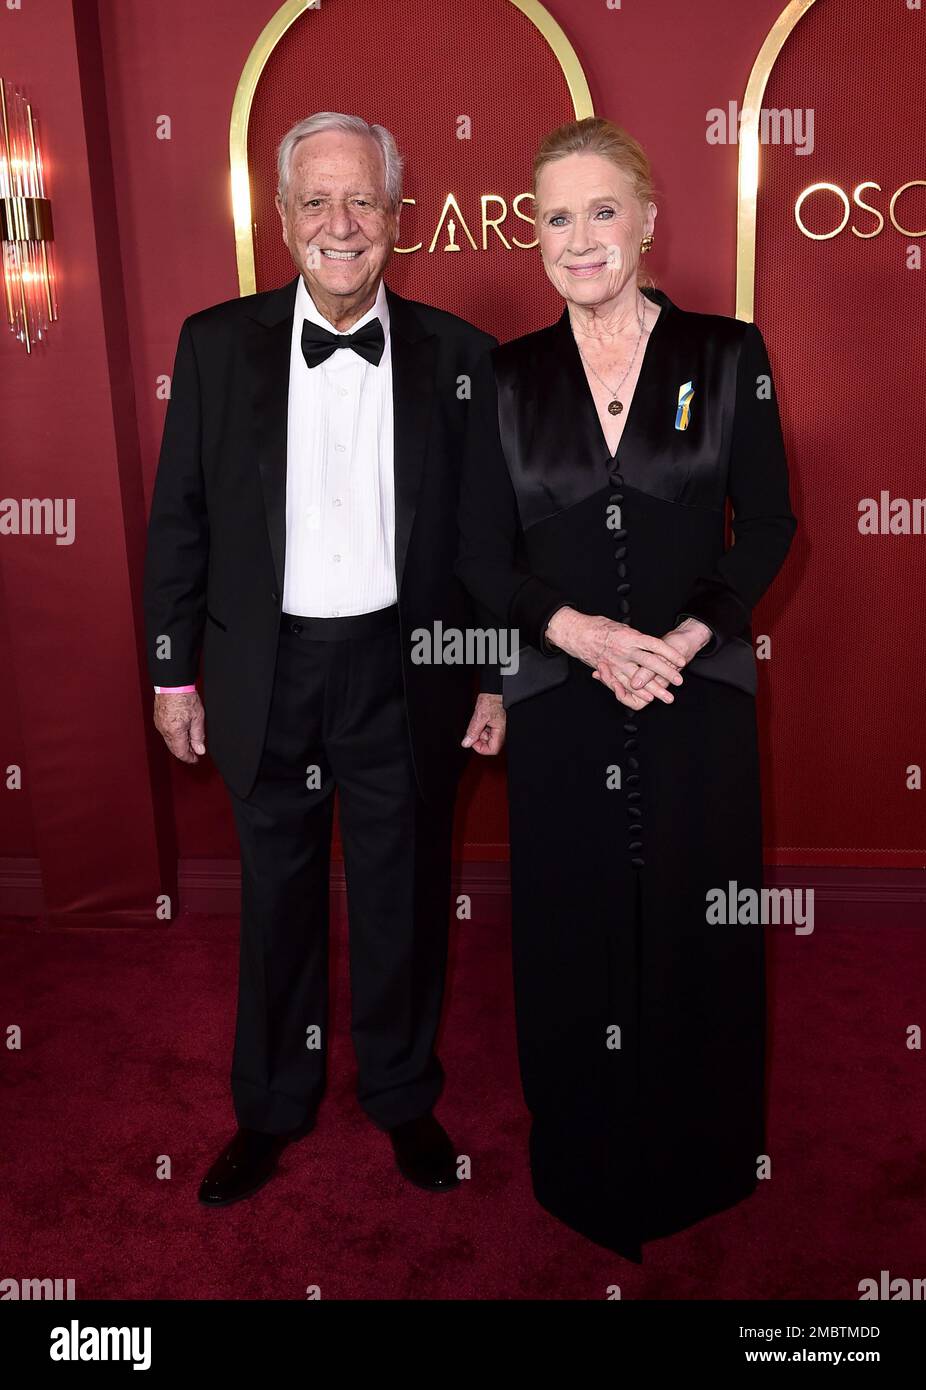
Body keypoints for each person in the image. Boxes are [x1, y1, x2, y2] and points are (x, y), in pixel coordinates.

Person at [143, 112, 505, 1207]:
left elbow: (489, 537)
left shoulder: (461, 355)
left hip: (409, 670)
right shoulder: (215, 343)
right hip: (270, 672)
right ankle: (271, 1106)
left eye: (362, 202)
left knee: (403, 895)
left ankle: (403, 1095)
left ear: (396, 218)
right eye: (317, 201)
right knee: (278, 899)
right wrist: (171, 673)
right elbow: (180, 522)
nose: (340, 224)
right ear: (284, 217)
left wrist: (492, 669)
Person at [456, 116, 797, 1262]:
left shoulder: (727, 353)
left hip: (698, 694)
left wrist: (688, 635)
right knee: (573, 927)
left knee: (699, 917)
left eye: (604, 210)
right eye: (556, 216)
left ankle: (702, 1155)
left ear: (649, 222)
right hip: (560, 695)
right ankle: (589, 1159)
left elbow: (773, 525)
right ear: (534, 237)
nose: (581, 236)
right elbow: (479, 553)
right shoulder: (503, 378)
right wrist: (582, 633)